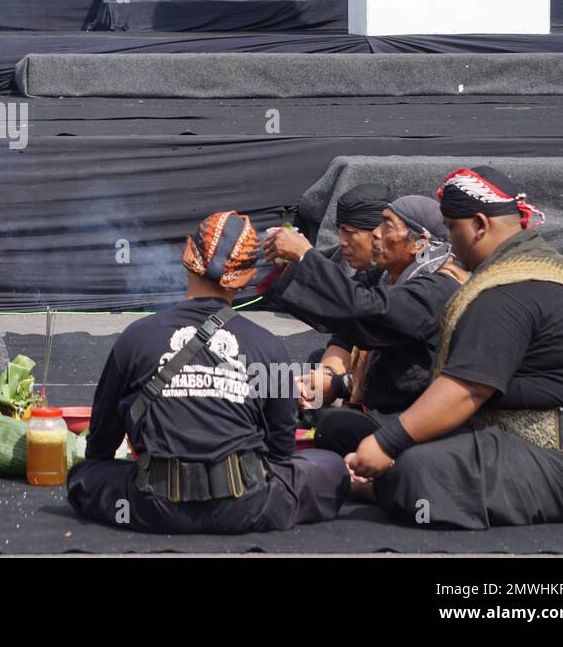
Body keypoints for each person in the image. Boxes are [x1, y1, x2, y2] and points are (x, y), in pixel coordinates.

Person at [346, 166, 563, 529]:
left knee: (416, 471)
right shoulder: (532, 266)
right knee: (355, 430)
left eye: (451, 228)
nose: (448, 240)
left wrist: (386, 444)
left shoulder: (508, 290)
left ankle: (375, 486)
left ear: (479, 225)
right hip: (549, 448)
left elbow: (464, 392)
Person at [67, 211, 349, 534]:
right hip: (246, 506)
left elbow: (100, 445)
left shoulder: (135, 339)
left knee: (82, 476)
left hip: (154, 506)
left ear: (188, 254)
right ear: (246, 277)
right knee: (331, 468)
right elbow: (280, 455)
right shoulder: (269, 347)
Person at [265, 195, 467, 455]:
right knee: (314, 368)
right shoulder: (387, 276)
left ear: (420, 244)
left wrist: (305, 255)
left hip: (411, 416)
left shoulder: (437, 289)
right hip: (385, 391)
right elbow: (345, 322)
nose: (376, 234)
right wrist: (332, 381)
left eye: (386, 227)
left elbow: (363, 310)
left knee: (332, 426)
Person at [266, 183, 394, 423]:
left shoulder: (413, 283)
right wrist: (323, 379)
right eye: (340, 231)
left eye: (350, 232)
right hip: (361, 384)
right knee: (318, 362)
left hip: (397, 400)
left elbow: (355, 306)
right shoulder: (373, 277)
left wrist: (306, 256)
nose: (342, 241)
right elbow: (344, 333)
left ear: (379, 233)